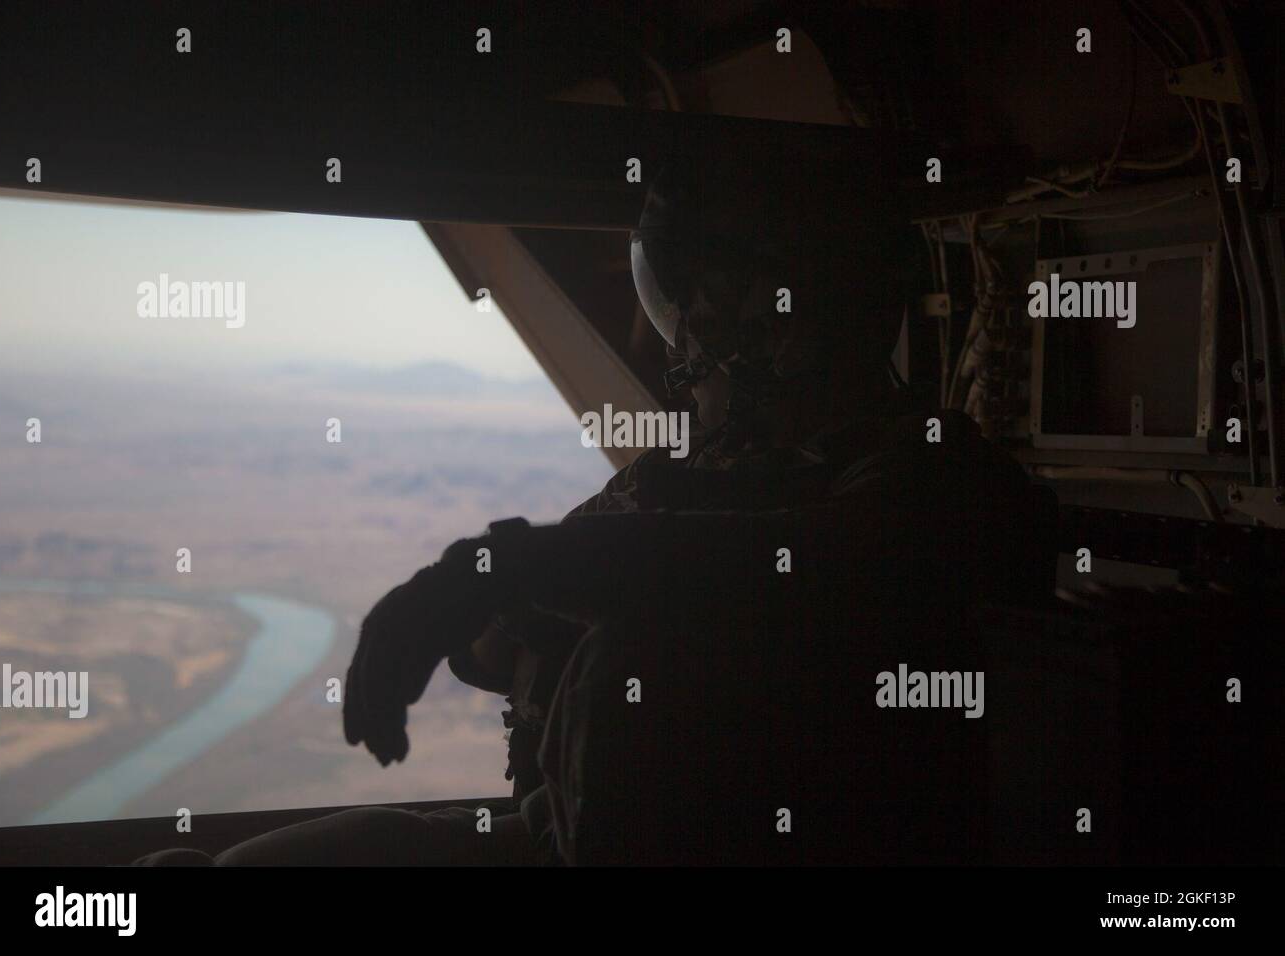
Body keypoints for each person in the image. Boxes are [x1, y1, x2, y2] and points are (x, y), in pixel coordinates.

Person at [138, 150, 1053, 865]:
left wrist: (497, 572)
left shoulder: (941, 484)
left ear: (772, 322)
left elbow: (794, 573)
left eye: (700, 306)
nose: (680, 338)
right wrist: (505, 595)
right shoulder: (682, 482)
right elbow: (489, 656)